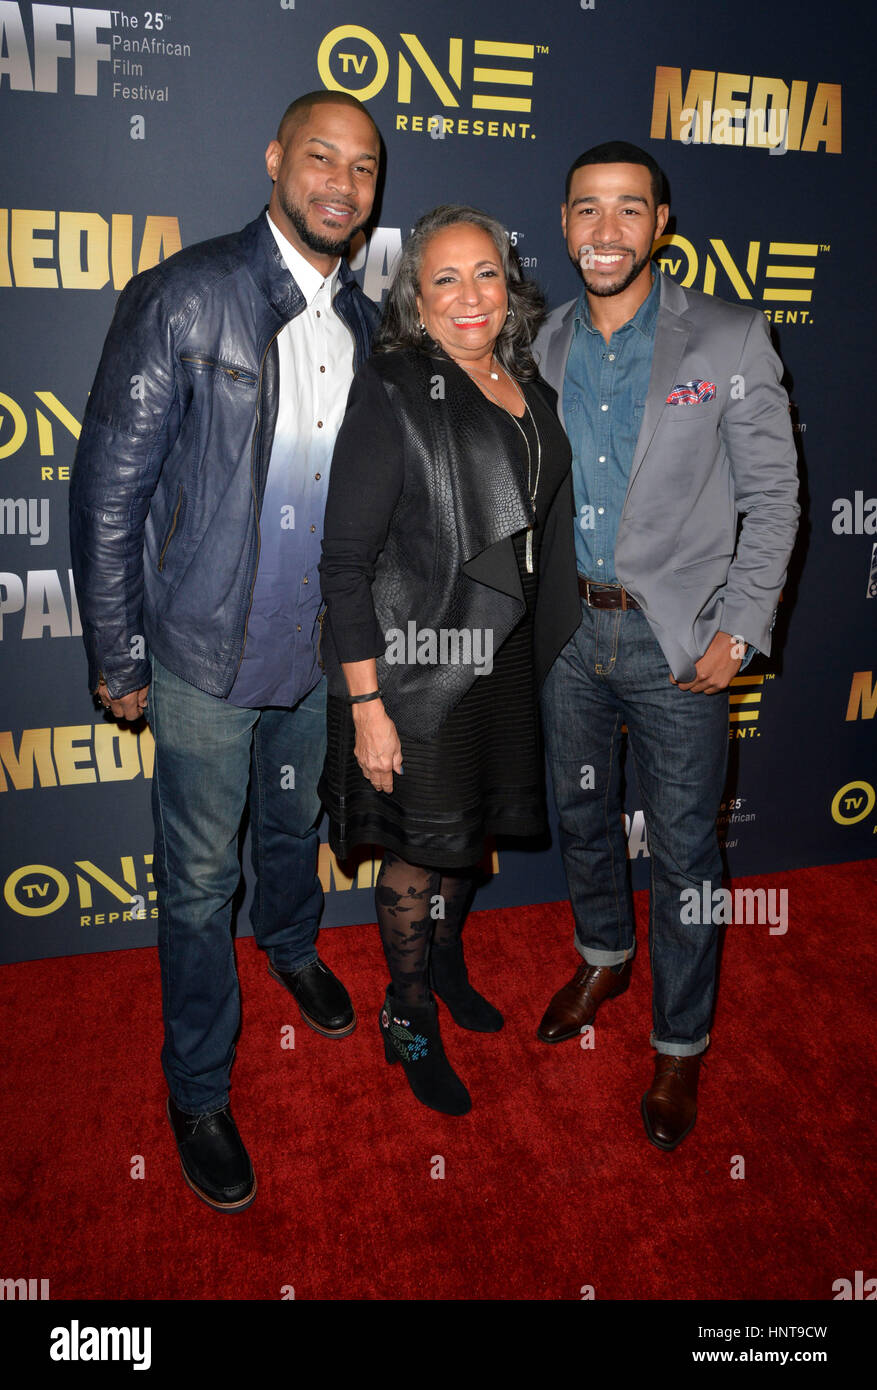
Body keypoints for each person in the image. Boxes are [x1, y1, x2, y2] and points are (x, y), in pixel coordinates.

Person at [69, 92, 382, 1211]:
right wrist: (118, 648)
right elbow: (109, 488)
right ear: (274, 161)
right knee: (199, 881)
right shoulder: (186, 295)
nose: (341, 183)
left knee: (292, 826)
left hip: (312, 660)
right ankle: (197, 1086)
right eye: (319, 158)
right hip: (201, 662)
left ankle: (293, 943)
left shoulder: (364, 324)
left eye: (361, 166)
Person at [533, 140, 800, 1150]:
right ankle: (603, 953)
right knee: (582, 815)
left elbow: (774, 498)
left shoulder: (728, 340)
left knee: (687, 854)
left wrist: (739, 628)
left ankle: (679, 1045)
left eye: (627, 210)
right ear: (563, 224)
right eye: (586, 210)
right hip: (567, 636)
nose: (606, 232)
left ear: (662, 221)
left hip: (680, 643)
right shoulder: (542, 343)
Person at [318, 205, 580, 1115]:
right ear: (415, 297)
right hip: (417, 661)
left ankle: (450, 961)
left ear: (510, 288)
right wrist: (367, 706)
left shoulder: (524, 379)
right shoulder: (393, 385)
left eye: (487, 275)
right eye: (445, 279)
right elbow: (344, 565)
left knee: (469, 839)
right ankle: (406, 1010)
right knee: (417, 856)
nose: (470, 296)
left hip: (501, 653)